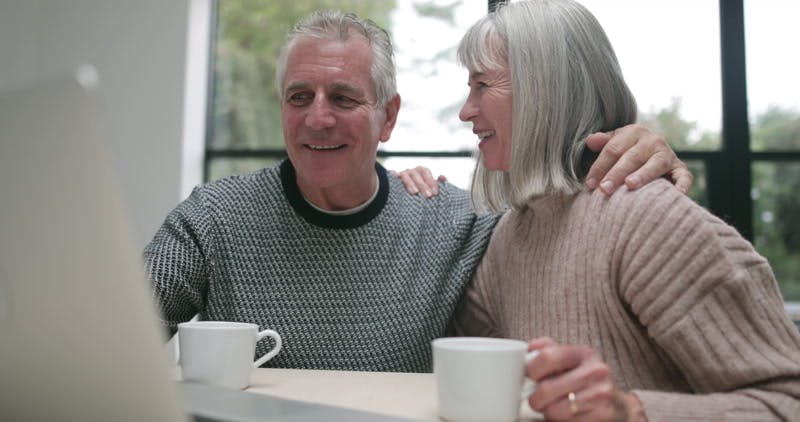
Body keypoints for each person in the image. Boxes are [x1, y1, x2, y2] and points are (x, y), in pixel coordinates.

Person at [145, 10, 689, 373]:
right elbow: (116, 332)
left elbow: (559, 210)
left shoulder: (457, 223)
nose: (318, 118)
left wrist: (624, 145)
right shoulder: (213, 217)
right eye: (298, 96)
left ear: (388, 117)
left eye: (342, 97)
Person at [449, 0, 800, 420]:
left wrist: (629, 411)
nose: (465, 111)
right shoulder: (511, 233)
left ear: (545, 89)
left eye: (482, 85)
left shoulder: (648, 223)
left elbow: (786, 402)